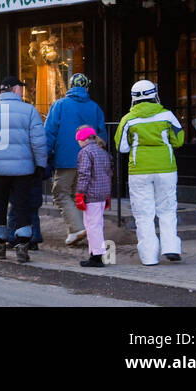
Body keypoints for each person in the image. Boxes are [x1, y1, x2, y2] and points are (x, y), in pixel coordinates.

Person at [0, 75, 47, 263]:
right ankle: (22, 246)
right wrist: (41, 164)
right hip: (23, 170)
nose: (22, 90)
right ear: (14, 89)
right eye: (20, 87)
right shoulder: (29, 111)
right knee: (22, 206)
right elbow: (39, 142)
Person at [115, 79, 184, 266]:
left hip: (139, 170)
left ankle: (149, 256)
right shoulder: (167, 116)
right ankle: (171, 248)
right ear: (154, 94)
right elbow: (178, 140)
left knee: (143, 213)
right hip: (166, 168)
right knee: (168, 208)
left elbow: (121, 147)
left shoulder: (128, 119)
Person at [46, 72, 108, 246]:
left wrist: (46, 153)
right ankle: (77, 232)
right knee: (77, 194)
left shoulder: (59, 105)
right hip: (89, 158)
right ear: (86, 87)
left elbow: (49, 132)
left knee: (60, 193)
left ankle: (78, 228)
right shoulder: (95, 107)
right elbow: (102, 134)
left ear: (70, 87)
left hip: (65, 159)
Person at [75, 126, 113, 268]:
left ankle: (96, 257)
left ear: (82, 139)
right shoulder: (102, 152)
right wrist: (108, 194)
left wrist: (80, 194)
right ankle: (95, 254)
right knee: (97, 224)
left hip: (92, 194)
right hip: (103, 193)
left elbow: (84, 175)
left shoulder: (85, 152)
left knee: (92, 226)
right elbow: (109, 173)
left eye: (78, 140)